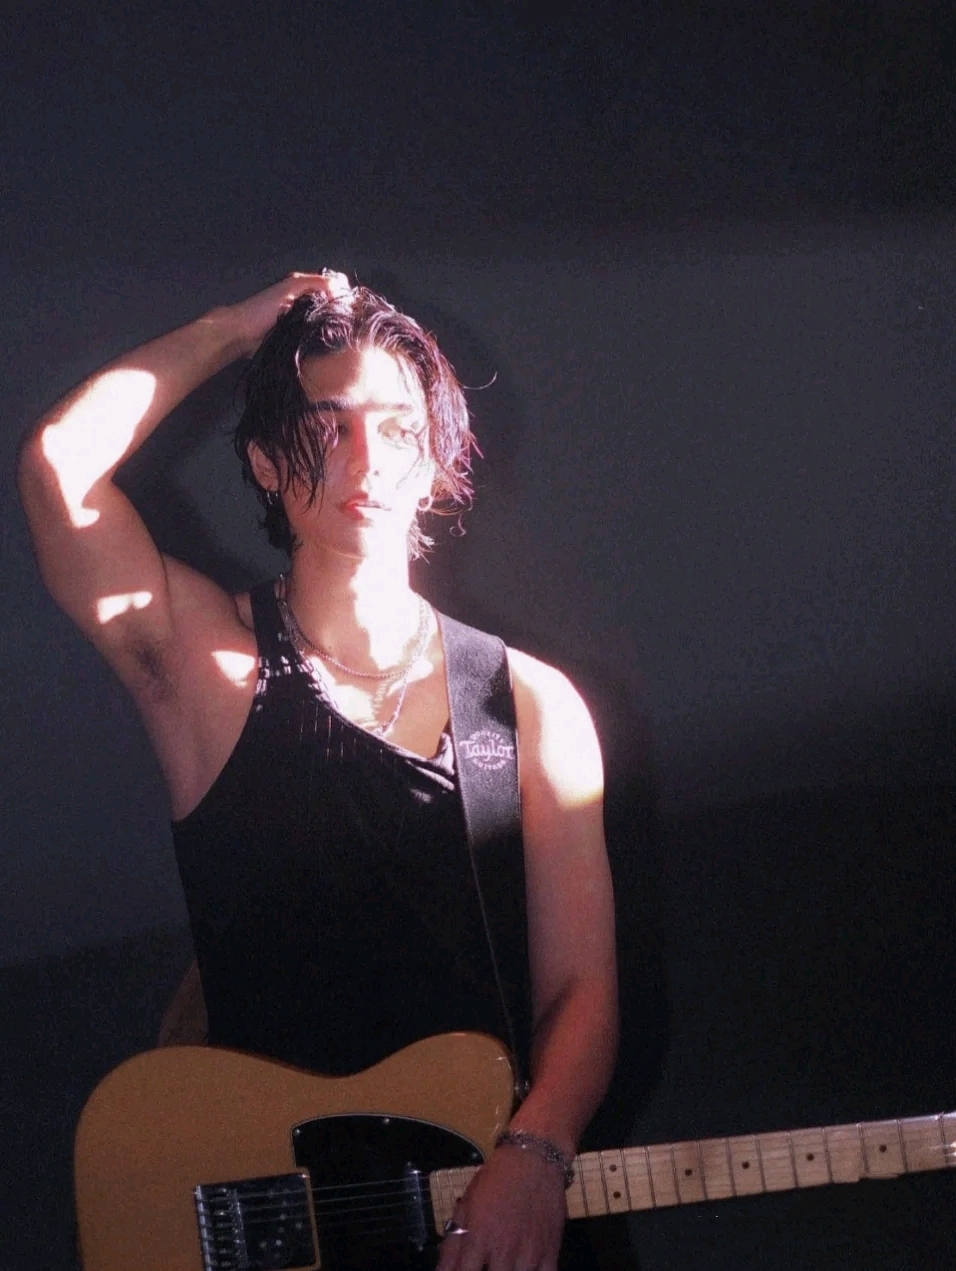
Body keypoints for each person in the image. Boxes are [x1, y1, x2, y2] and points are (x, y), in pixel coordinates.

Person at [18, 272, 619, 1271]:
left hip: (479, 1221)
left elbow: (581, 987)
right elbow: (57, 467)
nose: (365, 458)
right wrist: (235, 328)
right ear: (263, 460)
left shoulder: (533, 707)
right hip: (273, 1226)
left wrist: (535, 1149)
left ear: (436, 458)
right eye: (326, 426)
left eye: (397, 426)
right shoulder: (210, 667)